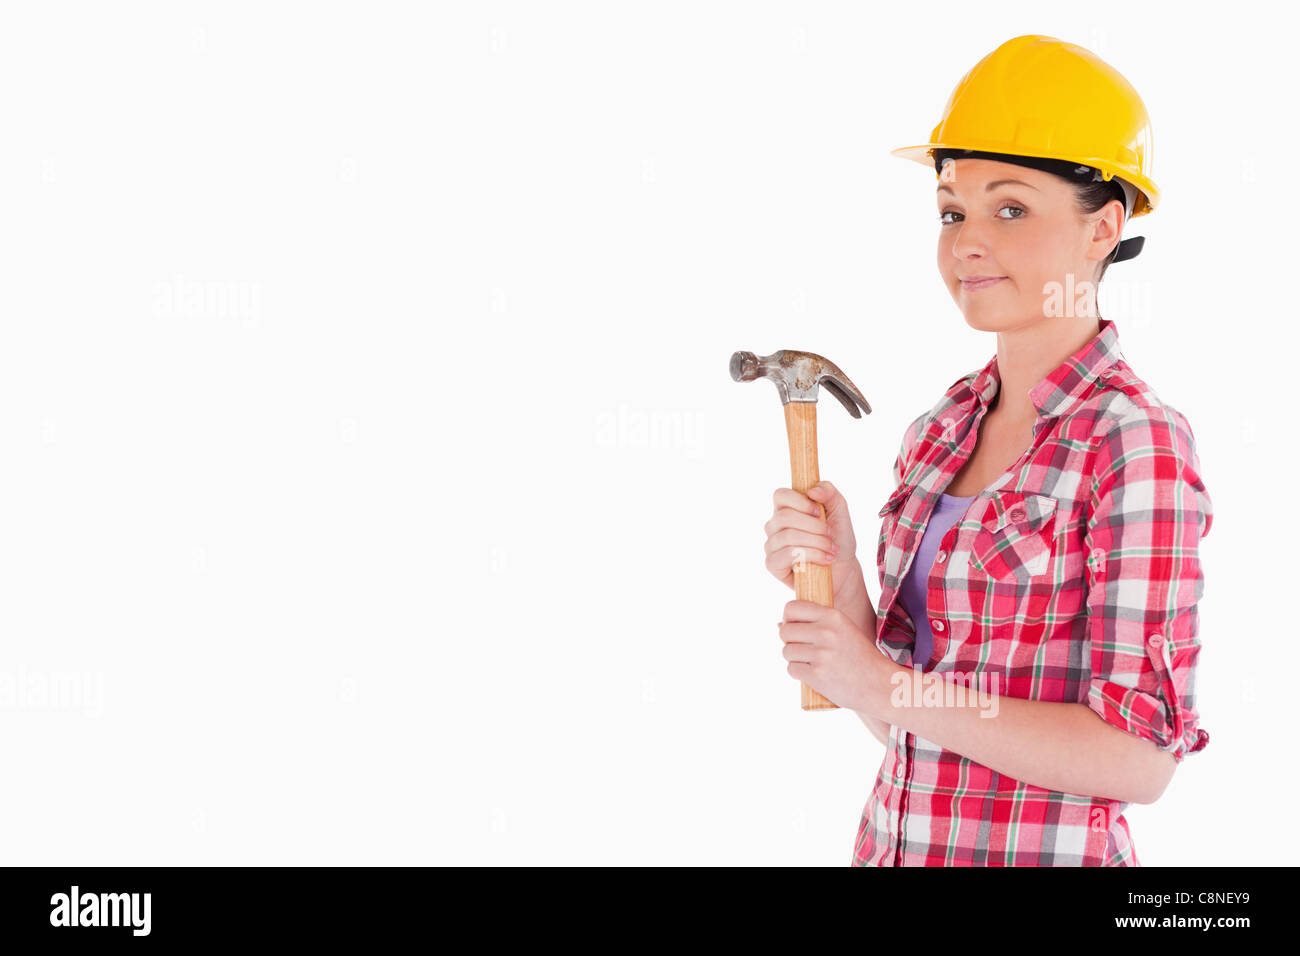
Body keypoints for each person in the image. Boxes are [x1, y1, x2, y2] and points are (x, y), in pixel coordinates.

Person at [763, 35, 1212, 866]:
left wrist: (883, 683)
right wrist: (847, 587)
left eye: (1010, 208)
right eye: (951, 211)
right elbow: (902, 723)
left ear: (1102, 229)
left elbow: (1136, 760)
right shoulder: (937, 432)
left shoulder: (1132, 443)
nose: (966, 241)